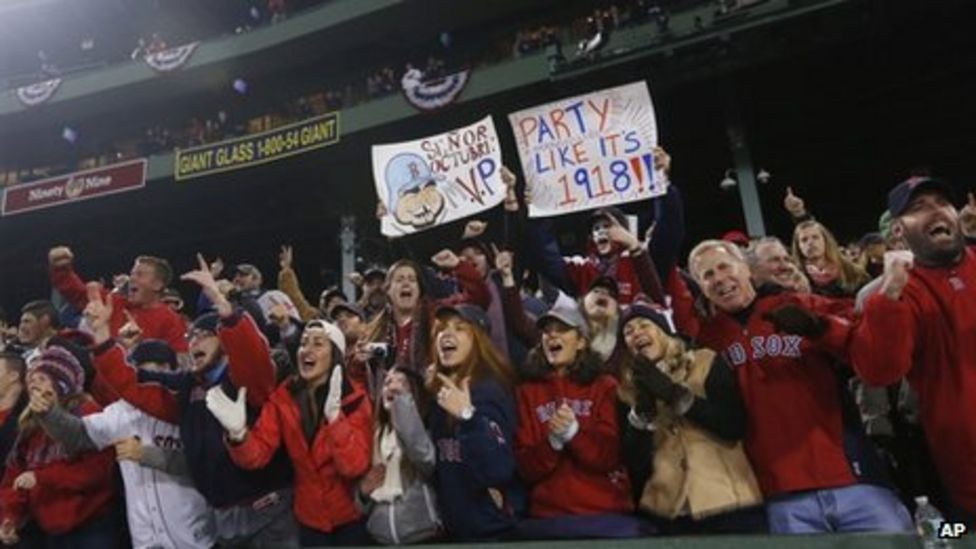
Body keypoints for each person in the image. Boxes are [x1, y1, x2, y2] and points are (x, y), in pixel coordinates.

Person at [668, 240, 912, 534]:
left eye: (724, 267)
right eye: (707, 275)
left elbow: (866, 352)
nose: (719, 278)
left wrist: (819, 329)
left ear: (746, 269)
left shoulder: (797, 304)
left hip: (851, 476)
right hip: (779, 494)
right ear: (702, 288)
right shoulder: (708, 340)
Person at [88, 255, 298, 547]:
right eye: (191, 336)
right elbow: (134, 385)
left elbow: (254, 354)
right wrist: (102, 336)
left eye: (203, 335)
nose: (194, 341)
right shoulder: (188, 388)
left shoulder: (245, 380)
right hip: (223, 518)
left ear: (223, 341)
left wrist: (224, 308)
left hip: (269, 510)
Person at [852, 176, 976, 524]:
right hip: (963, 463)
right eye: (919, 208)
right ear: (897, 232)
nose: (935, 211)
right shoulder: (890, 293)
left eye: (941, 203)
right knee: (954, 536)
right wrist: (889, 295)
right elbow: (880, 370)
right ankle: (936, 539)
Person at [31, 340, 216, 549]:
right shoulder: (121, 412)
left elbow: (204, 466)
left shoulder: (190, 409)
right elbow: (78, 436)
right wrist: (49, 415)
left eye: (161, 369)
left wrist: (146, 455)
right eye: (145, 371)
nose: (154, 379)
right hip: (145, 539)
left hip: (192, 535)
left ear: (175, 371)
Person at [208, 319, 373, 546]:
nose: (307, 349)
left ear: (335, 354)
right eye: (304, 343)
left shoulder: (356, 399)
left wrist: (336, 420)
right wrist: (239, 435)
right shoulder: (284, 397)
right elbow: (257, 455)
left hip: (350, 518)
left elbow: (353, 467)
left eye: (318, 344)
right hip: (309, 520)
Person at [617, 303, 765, 534]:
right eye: (628, 331)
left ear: (664, 331)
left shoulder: (705, 361)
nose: (636, 333)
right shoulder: (626, 391)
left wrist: (674, 394)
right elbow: (635, 464)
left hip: (728, 503)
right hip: (666, 512)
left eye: (644, 325)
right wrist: (642, 414)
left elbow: (733, 425)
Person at [514, 302, 641, 539]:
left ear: (581, 341)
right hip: (548, 518)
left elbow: (610, 456)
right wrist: (551, 444)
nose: (552, 335)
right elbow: (525, 467)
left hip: (605, 513)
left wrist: (574, 434)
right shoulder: (527, 392)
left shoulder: (605, 386)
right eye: (546, 330)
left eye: (562, 329)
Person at [0, 347, 118, 548]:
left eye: (43, 379)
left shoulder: (88, 414)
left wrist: (42, 477)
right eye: (32, 379)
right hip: (49, 530)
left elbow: (96, 472)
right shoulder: (29, 424)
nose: (34, 383)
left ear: (62, 384)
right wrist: (10, 516)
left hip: (90, 526)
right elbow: (15, 478)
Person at [427, 304, 523, 540]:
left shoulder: (489, 389)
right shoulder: (442, 394)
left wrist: (468, 417)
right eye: (441, 329)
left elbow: (498, 470)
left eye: (460, 329)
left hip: (491, 532)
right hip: (455, 530)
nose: (447, 335)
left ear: (479, 341)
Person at [47, 246, 187, 353]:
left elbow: (179, 360)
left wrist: (139, 349)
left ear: (157, 285)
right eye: (132, 273)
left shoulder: (171, 320)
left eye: (140, 274)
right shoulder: (113, 302)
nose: (132, 278)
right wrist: (61, 269)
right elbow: (78, 293)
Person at [357, 368, 441, 545]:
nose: (392, 387)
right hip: (379, 538)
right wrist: (363, 492)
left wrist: (402, 404)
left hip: (421, 537)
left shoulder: (424, 431)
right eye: (387, 382)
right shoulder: (374, 435)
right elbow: (362, 503)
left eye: (401, 383)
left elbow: (425, 459)